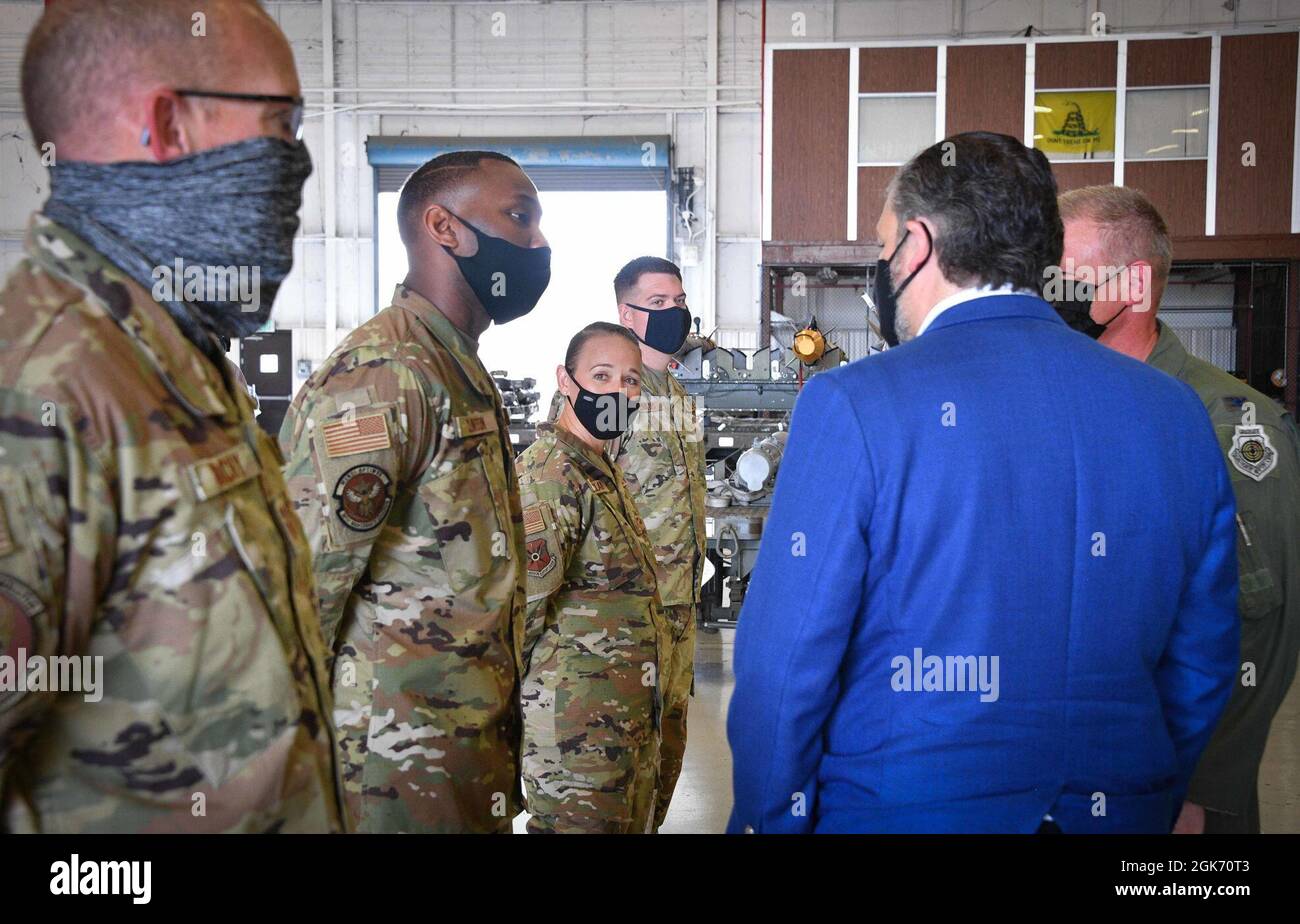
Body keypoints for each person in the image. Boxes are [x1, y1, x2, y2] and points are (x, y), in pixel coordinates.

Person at [726, 131, 1239, 834]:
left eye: (883, 248)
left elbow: (786, 666)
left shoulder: (855, 403)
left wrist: (769, 819)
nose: (883, 267)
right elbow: (1203, 659)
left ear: (918, 244)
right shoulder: (1173, 409)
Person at [0, 0, 343, 833]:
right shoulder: (43, 389)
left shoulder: (169, 352)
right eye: (281, 123)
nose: (294, 161)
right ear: (168, 124)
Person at [279, 151, 548, 833]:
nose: (538, 244)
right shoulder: (384, 374)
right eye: (520, 218)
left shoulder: (454, 367)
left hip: (455, 758)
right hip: (388, 772)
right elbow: (302, 592)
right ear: (443, 226)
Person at [1058, 184, 1300, 834]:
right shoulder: (1065, 405)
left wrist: (1199, 787)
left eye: (1065, 275)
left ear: (1133, 284)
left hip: (1174, 791)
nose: (1047, 292)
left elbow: (1262, 616)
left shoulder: (1232, 426)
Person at [546, 256, 706, 829]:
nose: (673, 314)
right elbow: (574, 480)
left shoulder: (678, 394)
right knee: (612, 761)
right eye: (657, 304)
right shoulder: (613, 389)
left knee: (665, 746)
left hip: (678, 605)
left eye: (679, 302)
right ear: (626, 312)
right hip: (623, 612)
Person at [516, 322, 665, 833]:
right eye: (601, 375)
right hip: (575, 743)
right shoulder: (550, 476)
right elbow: (520, 617)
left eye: (630, 380)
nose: (617, 391)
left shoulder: (601, 468)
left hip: (621, 727)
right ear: (565, 380)